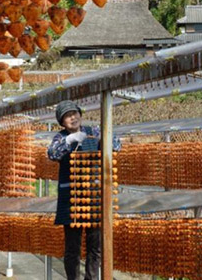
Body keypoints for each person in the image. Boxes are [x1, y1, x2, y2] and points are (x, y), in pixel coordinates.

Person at [47, 100, 120, 280]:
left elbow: (117, 146)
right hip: (71, 200)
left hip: (94, 198)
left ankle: (91, 278)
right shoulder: (60, 137)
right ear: (62, 122)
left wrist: (106, 138)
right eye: (67, 116)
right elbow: (52, 154)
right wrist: (69, 140)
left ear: (80, 114)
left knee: (95, 246)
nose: (72, 118)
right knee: (72, 248)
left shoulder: (93, 132)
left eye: (74, 113)